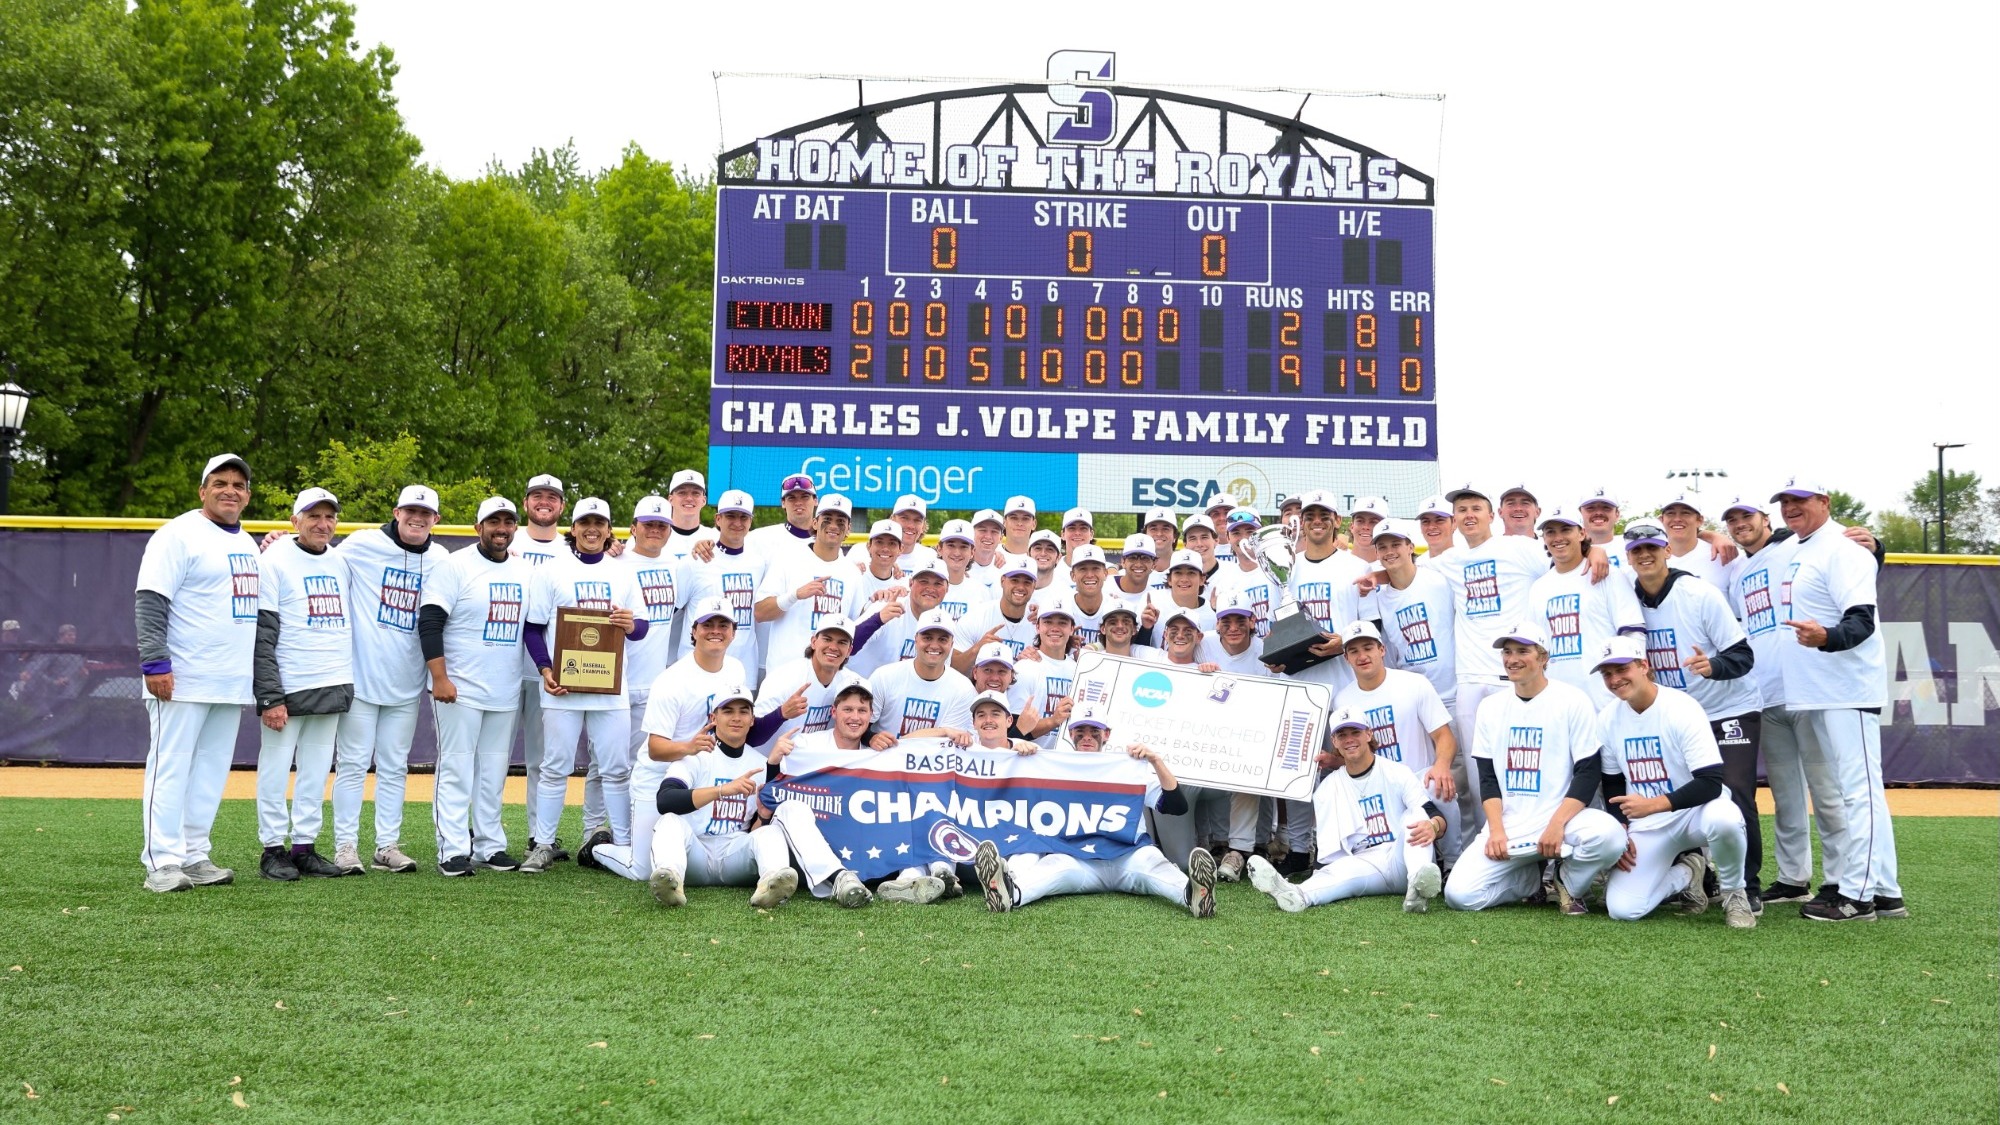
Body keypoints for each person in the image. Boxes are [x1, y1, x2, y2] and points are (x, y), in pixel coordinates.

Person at [1772, 478, 1903, 922]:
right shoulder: (1802, 546)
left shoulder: (1843, 548)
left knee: (1859, 793)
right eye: (1785, 501)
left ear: (1824, 503)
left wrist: (1826, 637)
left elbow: (1861, 621)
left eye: (1800, 500)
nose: (1791, 508)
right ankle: (1885, 892)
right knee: (1860, 793)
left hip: (1847, 690)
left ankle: (1858, 896)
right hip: (1820, 692)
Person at [1624, 516, 1764, 912]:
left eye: (1653, 547)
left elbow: (1743, 655)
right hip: (1677, 717)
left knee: (1734, 793)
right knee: (1675, 796)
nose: (1646, 555)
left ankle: (1746, 885)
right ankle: (1695, 875)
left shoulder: (1698, 594)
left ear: (1667, 549)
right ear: (1629, 557)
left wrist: (1713, 666)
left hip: (1727, 708)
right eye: (1637, 550)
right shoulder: (1627, 597)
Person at [133, 452, 259, 892]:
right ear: (202, 490)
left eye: (238, 485)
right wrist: (155, 663)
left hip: (229, 681)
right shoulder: (178, 534)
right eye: (220, 482)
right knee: (170, 768)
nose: (230, 490)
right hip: (182, 679)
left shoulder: (246, 542)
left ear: (247, 495)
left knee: (209, 772)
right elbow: (150, 600)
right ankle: (162, 862)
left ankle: (194, 853)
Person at [1442, 624, 1626, 914]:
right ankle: (1532, 881)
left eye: (1522, 651)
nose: (1512, 659)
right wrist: (1496, 830)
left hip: (1561, 821)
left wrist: (1556, 824)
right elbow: (1488, 778)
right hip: (1510, 826)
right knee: (1459, 896)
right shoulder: (1490, 707)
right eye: (1507, 652)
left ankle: (1567, 882)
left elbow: (1588, 773)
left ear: (1543, 658)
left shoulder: (1572, 700)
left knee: (1611, 836)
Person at [973, 706, 1218, 917]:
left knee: (1157, 867)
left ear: (1106, 734)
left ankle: (1196, 896)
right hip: (1078, 859)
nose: (1087, 737)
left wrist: (1156, 761)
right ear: (1071, 734)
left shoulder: (1127, 765)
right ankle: (1008, 894)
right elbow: (1011, 788)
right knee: (1052, 868)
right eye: (1080, 732)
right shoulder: (1052, 766)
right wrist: (1017, 750)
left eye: (1094, 732)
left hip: (1129, 855)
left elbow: (1177, 806)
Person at [519, 497, 648, 874]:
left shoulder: (623, 572)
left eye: (600, 523)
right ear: (572, 528)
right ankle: (542, 844)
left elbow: (640, 629)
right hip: (563, 685)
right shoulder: (552, 569)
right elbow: (533, 627)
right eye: (585, 523)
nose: (592, 529)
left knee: (616, 768)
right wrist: (545, 668)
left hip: (610, 687)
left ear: (610, 530)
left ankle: (623, 845)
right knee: (555, 767)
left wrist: (629, 624)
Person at [1591, 637, 1756, 928]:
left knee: (1726, 819)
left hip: (1696, 812)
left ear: (1644, 666)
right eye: (1607, 674)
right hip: (1648, 824)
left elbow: (1711, 782)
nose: (1615, 679)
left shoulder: (1681, 707)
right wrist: (1621, 827)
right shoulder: (1607, 718)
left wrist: (1654, 805)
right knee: (1623, 909)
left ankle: (1734, 892)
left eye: (1621, 669)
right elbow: (1613, 781)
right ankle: (1688, 874)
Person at [331, 483, 449, 875]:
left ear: (436, 519)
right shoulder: (361, 544)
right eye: (409, 511)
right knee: (352, 764)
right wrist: (280, 541)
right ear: (396, 512)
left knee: (395, 766)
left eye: (425, 513)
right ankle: (346, 846)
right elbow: (316, 559)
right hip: (362, 678)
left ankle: (386, 846)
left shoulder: (442, 559)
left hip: (406, 683)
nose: (417, 518)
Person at [590, 597, 744, 883]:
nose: (715, 631)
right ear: (694, 631)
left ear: (734, 632)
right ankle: (597, 847)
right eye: (707, 624)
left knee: (690, 856)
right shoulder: (672, 680)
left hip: (698, 779)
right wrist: (689, 746)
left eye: (723, 624)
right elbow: (655, 749)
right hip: (657, 780)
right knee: (643, 870)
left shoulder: (735, 669)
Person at [420, 496, 530, 876]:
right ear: (477, 526)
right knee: (456, 768)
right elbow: (430, 622)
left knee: (494, 772)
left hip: (503, 689)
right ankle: (452, 848)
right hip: (459, 688)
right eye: (493, 521)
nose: (501, 528)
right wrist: (439, 677)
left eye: (508, 522)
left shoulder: (522, 570)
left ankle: (489, 844)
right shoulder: (455, 566)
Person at [1245, 707, 1445, 913]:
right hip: (1365, 862)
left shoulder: (1397, 772)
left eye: (1355, 732)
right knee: (1335, 875)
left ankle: (1417, 888)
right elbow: (1328, 852)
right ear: (1335, 742)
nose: (1349, 739)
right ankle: (1294, 894)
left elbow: (1435, 815)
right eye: (1342, 735)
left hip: (1402, 857)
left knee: (1417, 815)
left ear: (1369, 734)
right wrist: (1324, 874)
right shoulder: (1328, 788)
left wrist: (1433, 825)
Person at [250, 487, 352, 881]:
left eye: (329, 517)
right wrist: (270, 694)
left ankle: (305, 846)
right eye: (313, 516)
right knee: (275, 770)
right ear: (295, 521)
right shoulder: (274, 560)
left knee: (315, 772)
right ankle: (273, 848)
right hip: (289, 688)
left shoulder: (340, 561)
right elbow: (263, 633)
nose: (322, 524)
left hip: (333, 681)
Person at [509, 474, 605, 862]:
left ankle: (538, 836)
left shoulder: (572, 556)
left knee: (539, 759)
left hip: (551, 672)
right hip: (501, 663)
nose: (544, 502)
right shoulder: (505, 538)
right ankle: (476, 837)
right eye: (537, 496)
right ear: (526, 501)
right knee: (490, 760)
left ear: (563, 508)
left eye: (552, 497)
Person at [636, 687, 797, 909]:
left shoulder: (760, 763)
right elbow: (665, 800)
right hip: (695, 853)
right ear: (714, 718)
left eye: (743, 712)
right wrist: (721, 791)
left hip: (734, 854)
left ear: (752, 720)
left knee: (772, 831)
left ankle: (771, 884)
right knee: (669, 822)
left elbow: (755, 831)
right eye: (728, 711)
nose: (736, 718)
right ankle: (670, 882)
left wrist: (763, 816)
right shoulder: (696, 756)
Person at [1333, 621, 1460, 863]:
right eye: (1354, 651)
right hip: (1375, 789)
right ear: (1346, 657)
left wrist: (1442, 765)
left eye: (1368, 647)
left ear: (1382, 650)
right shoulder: (1343, 700)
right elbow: (1350, 749)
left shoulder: (1413, 684)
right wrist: (1333, 759)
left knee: (1439, 785)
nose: (1362, 656)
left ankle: (1452, 861)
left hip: (1417, 780)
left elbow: (1444, 736)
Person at [762, 680, 885, 908]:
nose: (855, 717)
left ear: (871, 716)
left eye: (862, 710)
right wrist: (773, 762)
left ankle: (909, 876)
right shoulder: (805, 745)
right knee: (790, 808)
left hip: (856, 847)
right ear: (834, 712)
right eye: (847, 709)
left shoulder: (876, 755)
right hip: (805, 845)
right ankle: (838, 878)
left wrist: (946, 732)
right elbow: (770, 800)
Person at [1530, 508, 1645, 708]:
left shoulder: (1608, 575)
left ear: (1582, 533)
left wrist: (1631, 685)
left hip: (1607, 699)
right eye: (1550, 532)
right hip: (1557, 702)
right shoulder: (1539, 587)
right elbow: (1536, 649)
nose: (1558, 538)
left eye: (1566, 530)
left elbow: (1633, 633)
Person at [755, 493, 867, 670]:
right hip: (785, 672)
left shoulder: (852, 572)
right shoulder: (788, 559)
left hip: (828, 677)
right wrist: (794, 596)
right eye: (827, 519)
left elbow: (855, 626)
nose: (833, 526)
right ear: (815, 523)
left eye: (840, 522)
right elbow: (760, 612)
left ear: (848, 530)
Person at [676, 489, 771, 676]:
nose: (737, 522)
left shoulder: (759, 563)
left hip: (743, 668)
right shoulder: (695, 560)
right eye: (730, 516)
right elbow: (673, 611)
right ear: (718, 519)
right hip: (696, 668)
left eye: (743, 517)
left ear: (750, 521)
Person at [748, 616, 860, 754]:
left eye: (842, 642)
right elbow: (751, 737)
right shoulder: (784, 678)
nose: (833, 647)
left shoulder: (850, 682)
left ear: (849, 650)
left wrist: (871, 738)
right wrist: (781, 713)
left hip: (810, 767)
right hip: (770, 765)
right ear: (813, 642)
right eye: (827, 639)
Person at [868, 609, 977, 745]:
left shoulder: (963, 688)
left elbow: (948, 743)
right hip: (886, 761)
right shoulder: (884, 676)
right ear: (916, 639)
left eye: (942, 639)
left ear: (951, 644)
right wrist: (871, 738)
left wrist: (943, 732)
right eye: (927, 638)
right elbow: (862, 726)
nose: (934, 645)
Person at [951, 557, 1040, 672]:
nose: (1020, 587)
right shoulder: (976, 617)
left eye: (1027, 582)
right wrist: (977, 649)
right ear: (1002, 581)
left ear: (1034, 586)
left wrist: (1038, 661)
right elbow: (953, 669)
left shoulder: (1039, 622)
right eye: (1014, 580)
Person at [1016, 596, 1079, 746]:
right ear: (1037, 627)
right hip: (1031, 760)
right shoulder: (1024, 668)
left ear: (1071, 629)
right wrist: (1053, 720)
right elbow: (1013, 731)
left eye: (1062, 623)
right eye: (1048, 622)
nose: (1055, 628)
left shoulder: (1079, 670)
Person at [662, 469, 720, 560]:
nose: (689, 498)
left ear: (704, 500)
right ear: (670, 499)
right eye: (682, 493)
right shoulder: (655, 537)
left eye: (695, 493)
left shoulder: (716, 538)